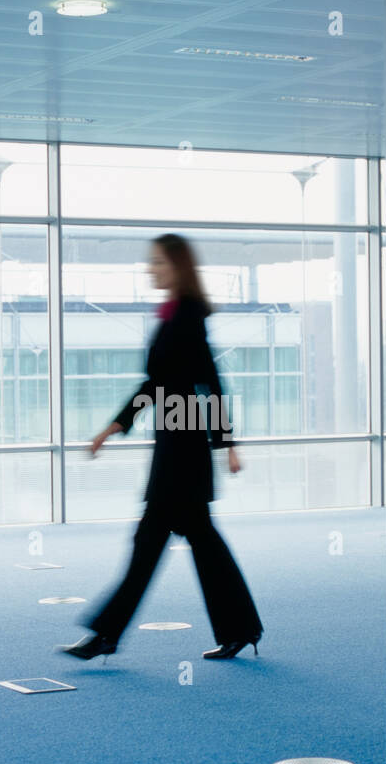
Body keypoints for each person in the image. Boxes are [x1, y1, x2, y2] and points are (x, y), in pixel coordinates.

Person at [62, 234, 263, 662]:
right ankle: (241, 629)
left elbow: (208, 380)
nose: (151, 269)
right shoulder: (173, 315)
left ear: (178, 267)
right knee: (197, 543)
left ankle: (107, 634)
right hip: (175, 444)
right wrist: (114, 426)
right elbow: (155, 383)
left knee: (154, 541)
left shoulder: (186, 316)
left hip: (182, 451)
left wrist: (225, 442)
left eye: (158, 263)